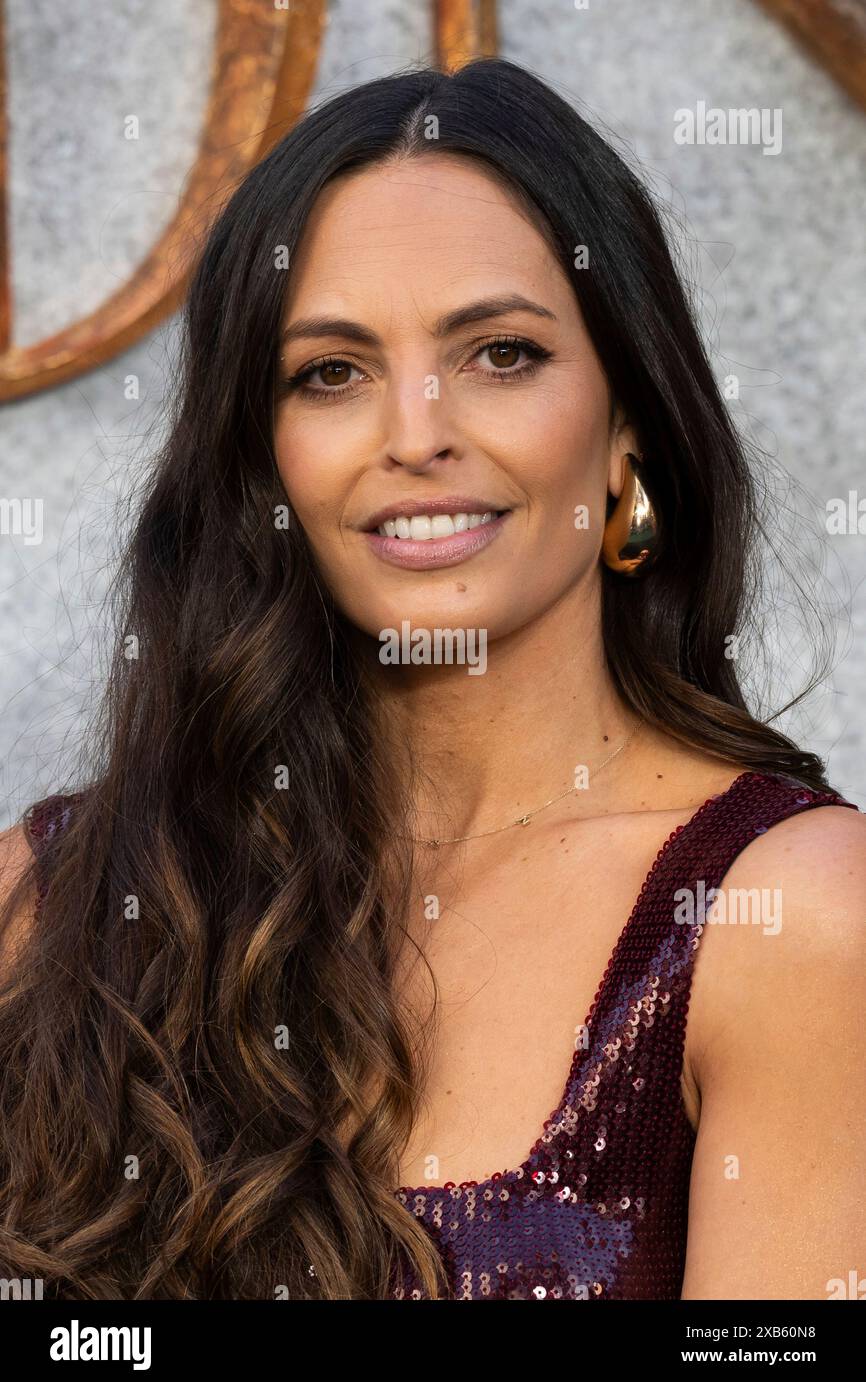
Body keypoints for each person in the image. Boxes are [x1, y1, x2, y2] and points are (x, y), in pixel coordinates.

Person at [0, 57, 864, 1302]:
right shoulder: (61, 898)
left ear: (628, 427)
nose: (415, 433)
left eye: (500, 354)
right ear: (263, 467)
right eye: (331, 373)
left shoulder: (782, 919)